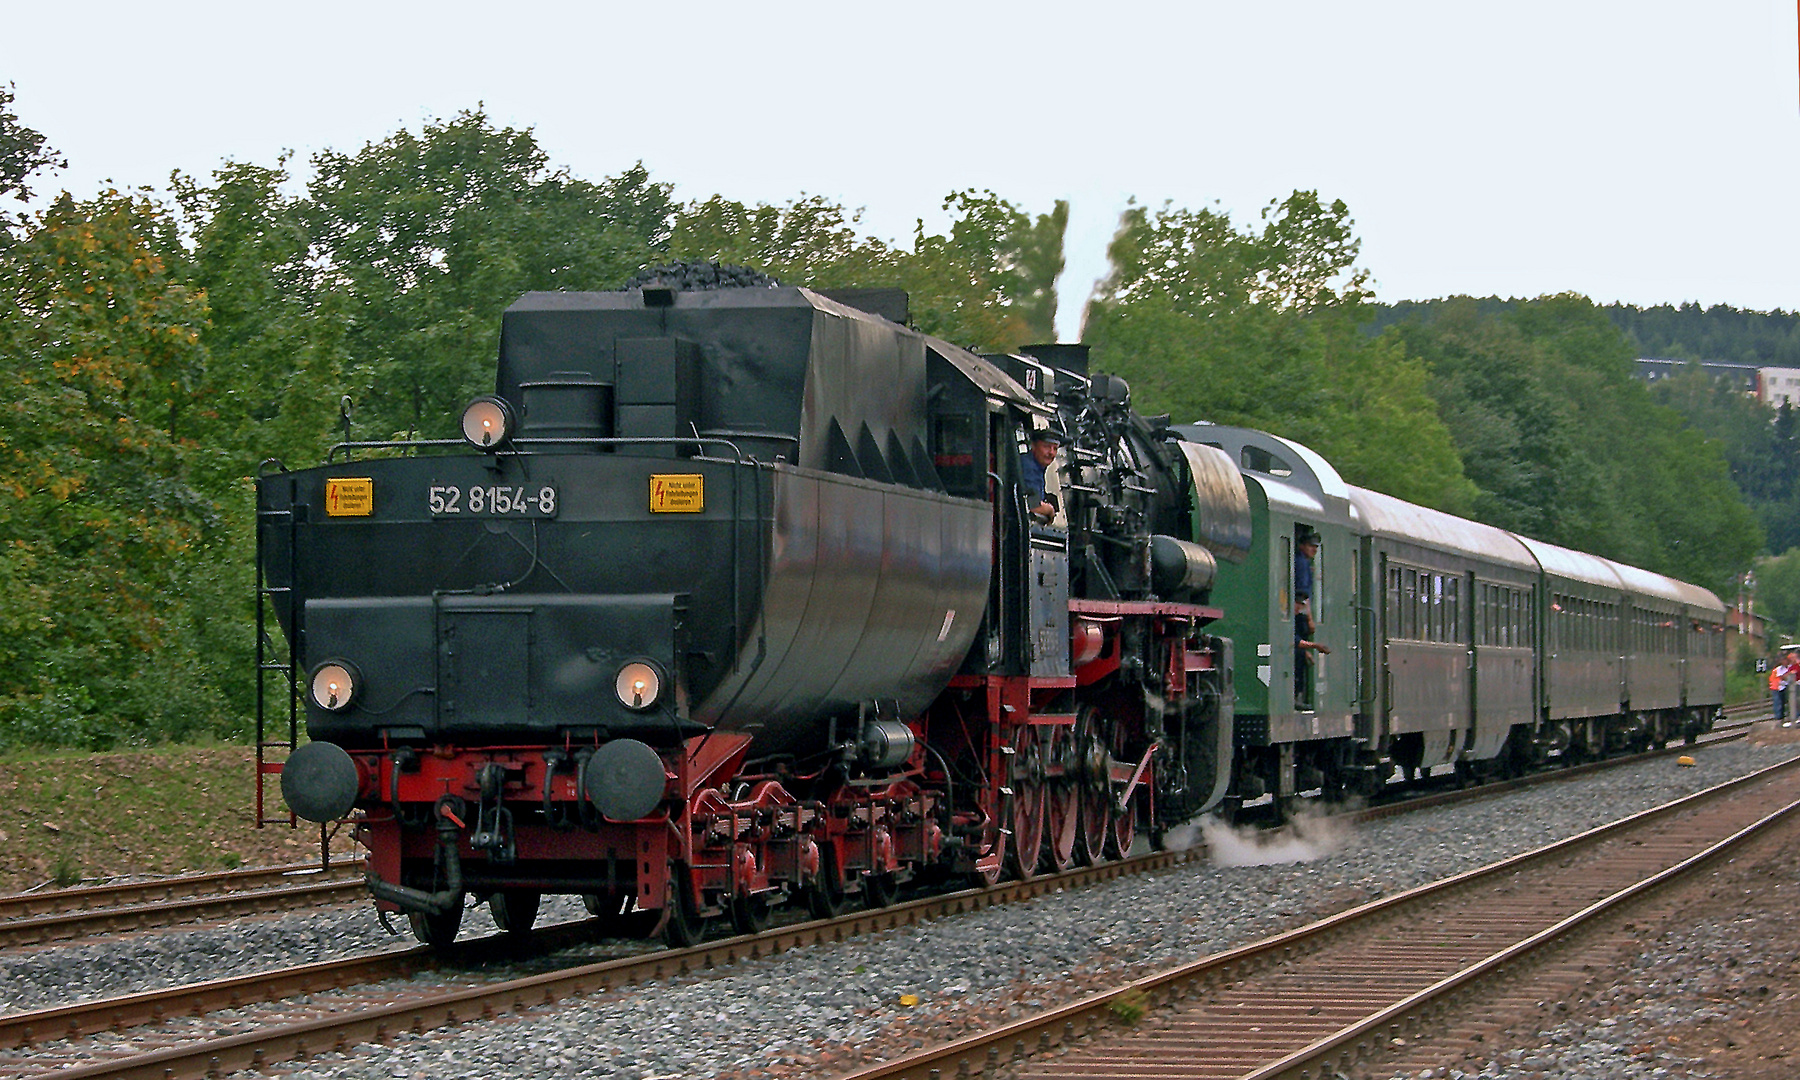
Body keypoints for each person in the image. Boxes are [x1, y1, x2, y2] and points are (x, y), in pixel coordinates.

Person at [1294, 529, 1329, 704]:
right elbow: (1301, 595)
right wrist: (1309, 618)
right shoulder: (1300, 564)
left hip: (1301, 612)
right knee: (1297, 653)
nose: (1314, 549)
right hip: (1300, 615)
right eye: (1310, 546)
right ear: (1302, 546)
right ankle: (1298, 694)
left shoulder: (1305, 563)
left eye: (1316, 547)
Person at [1019, 429, 1063, 522]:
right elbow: (1032, 507)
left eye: (1055, 449)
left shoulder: (1037, 466)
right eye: (1047, 447)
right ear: (1033, 446)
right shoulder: (1029, 467)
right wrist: (1050, 510)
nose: (1051, 453)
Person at [1774, 656, 1791, 727]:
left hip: (1788, 686)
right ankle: (1780, 717)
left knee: (1787, 701)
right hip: (1780, 687)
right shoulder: (1779, 669)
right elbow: (1781, 677)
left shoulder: (1789, 667)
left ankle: (1786, 715)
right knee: (1780, 702)